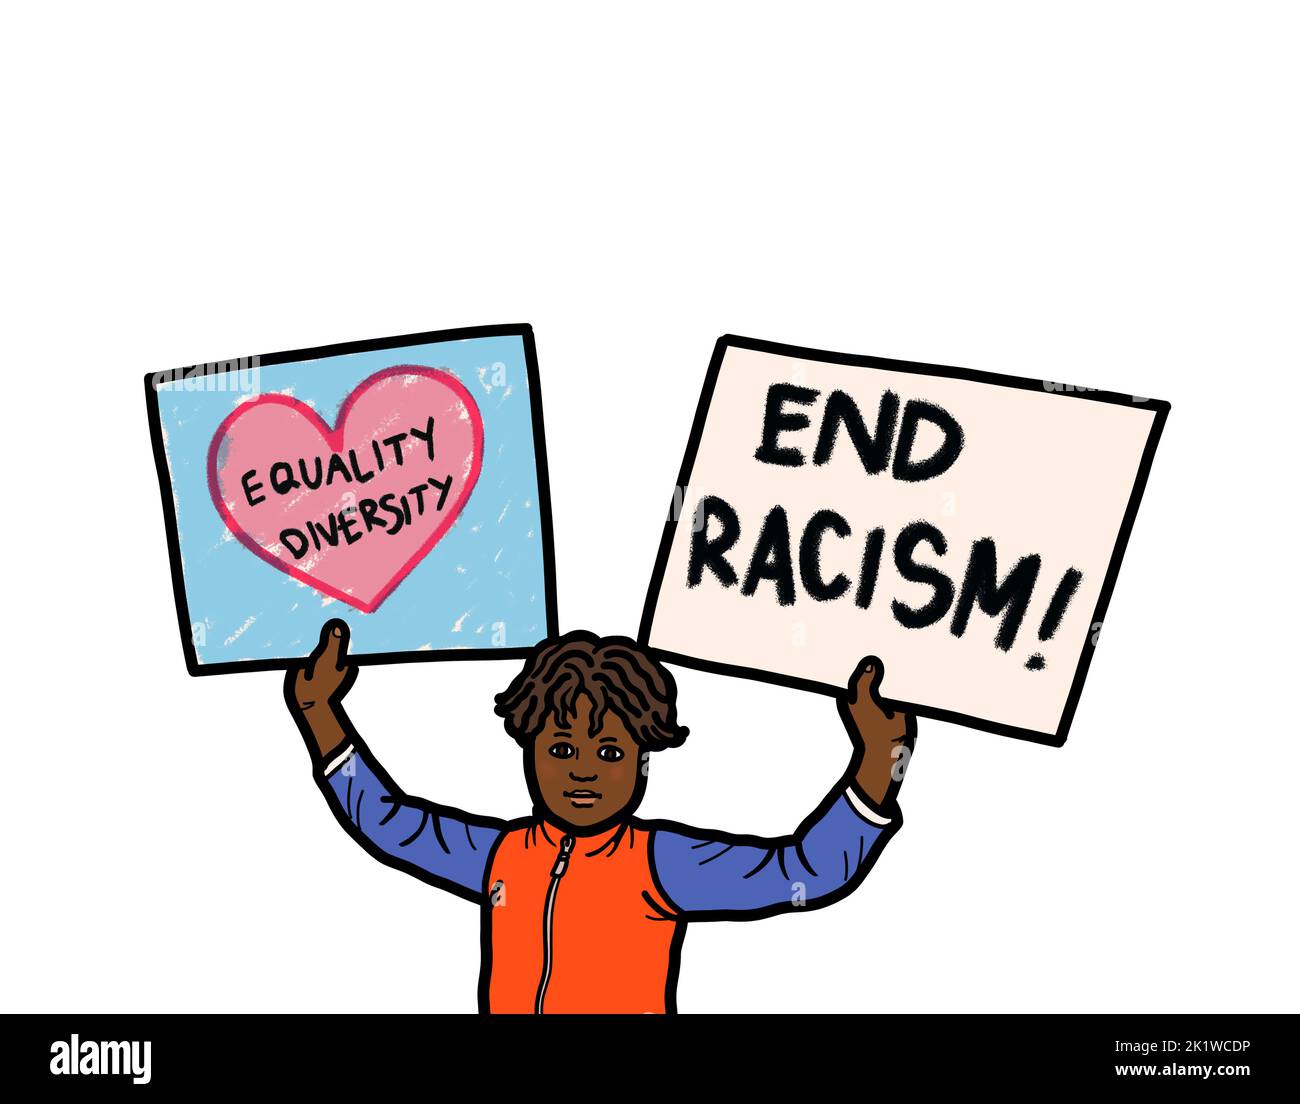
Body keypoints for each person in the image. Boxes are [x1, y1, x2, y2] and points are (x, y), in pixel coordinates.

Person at [286, 619, 916, 1013]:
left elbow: (798, 871)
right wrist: (319, 714)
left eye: (609, 751)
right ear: (527, 748)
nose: (582, 770)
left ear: (645, 759)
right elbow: (392, 825)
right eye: (561, 749)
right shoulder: (499, 854)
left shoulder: (661, 863)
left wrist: (881, 762)